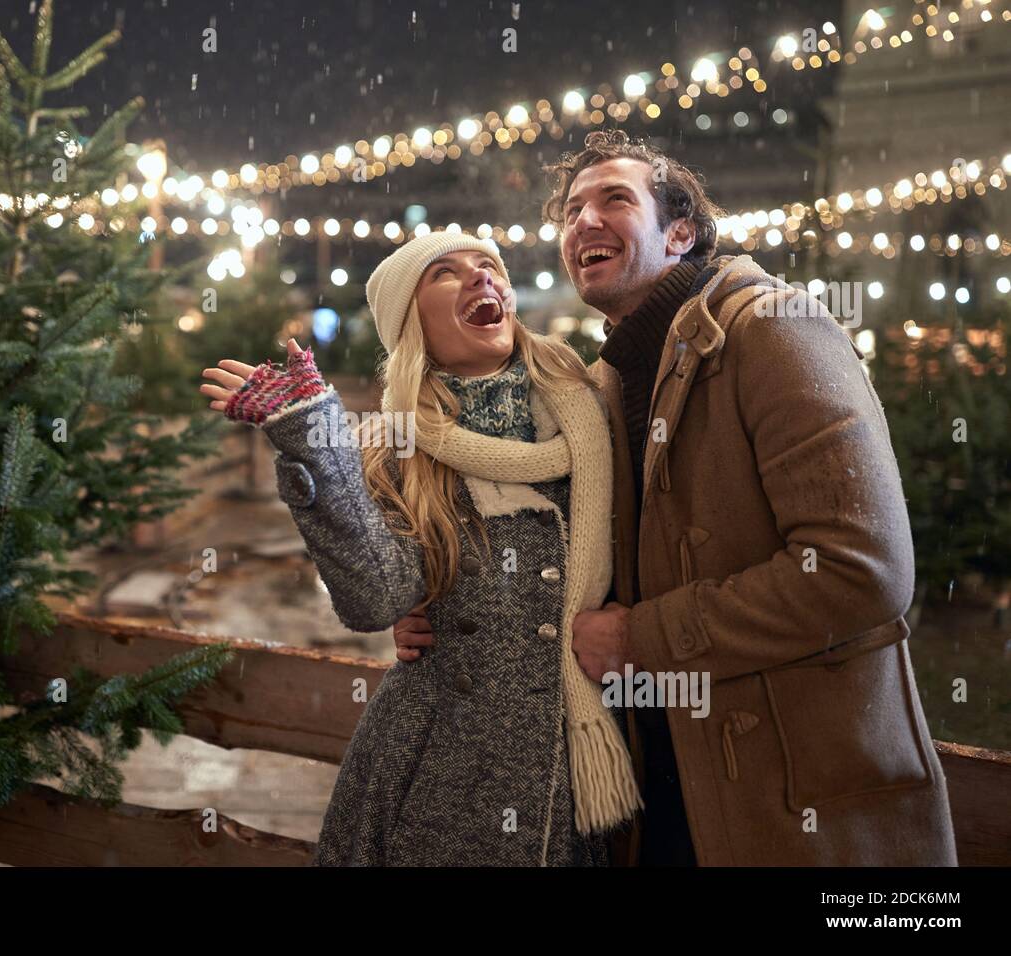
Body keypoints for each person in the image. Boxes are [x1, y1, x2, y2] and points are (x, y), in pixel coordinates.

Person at [395, 130, 958, 866]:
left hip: (790, 807)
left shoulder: (770, 331)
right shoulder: (605, 387)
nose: (583, 222)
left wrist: (640, 641)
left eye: (615, 200)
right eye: (570, 211)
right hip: (663, 791)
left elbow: (862, 572)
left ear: (681, 233)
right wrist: (434, 609)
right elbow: (559, 551)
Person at [200, 232, 642, 865]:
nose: (480, 279)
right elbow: (377, 597)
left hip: (582, 778)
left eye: (489, 266)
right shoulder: (395, 446)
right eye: (446, 274)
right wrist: (316, 440)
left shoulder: (598, 408)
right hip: (441, 775)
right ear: (413, 322)